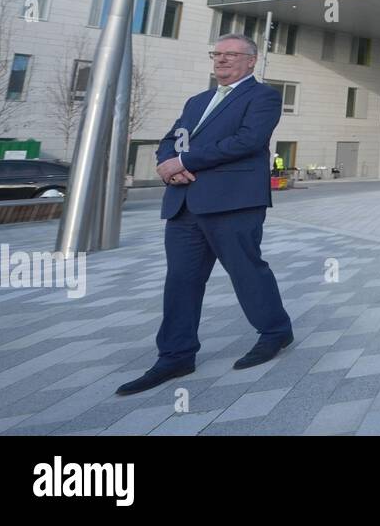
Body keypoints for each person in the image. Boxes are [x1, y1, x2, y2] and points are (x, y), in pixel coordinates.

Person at [117, 33, 294, 396]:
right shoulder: (197, 100)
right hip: (184, 204)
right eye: (217, 54)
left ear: (251, 61)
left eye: (232, 55)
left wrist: (184, 161)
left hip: (232, 202)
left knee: (246, 272)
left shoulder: (263, 96)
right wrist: (168, 163)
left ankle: (275, 332)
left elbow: (247, 141)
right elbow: (173, 138)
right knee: (180, 280)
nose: (222, 60)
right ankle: (176, 355)